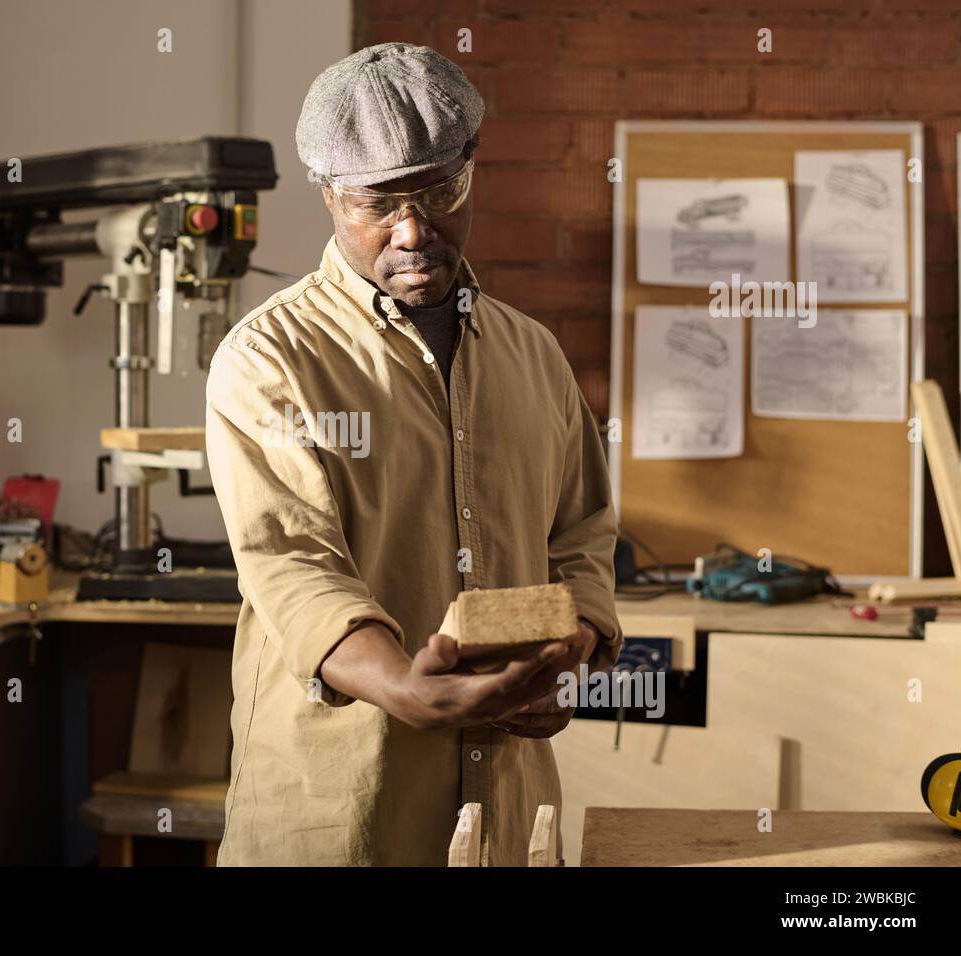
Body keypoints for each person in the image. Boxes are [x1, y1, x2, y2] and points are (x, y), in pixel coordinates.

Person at [204, 42, 621, 866]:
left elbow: (582, 534)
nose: (413, 232)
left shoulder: (533, 355)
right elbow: (292, 563)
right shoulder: (268, 359)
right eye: (376, 205)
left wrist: (574, 650)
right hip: (340, 812)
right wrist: (401, 684)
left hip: (504, 810)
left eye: (440, 192)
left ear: (472, 169)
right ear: (329, 198)